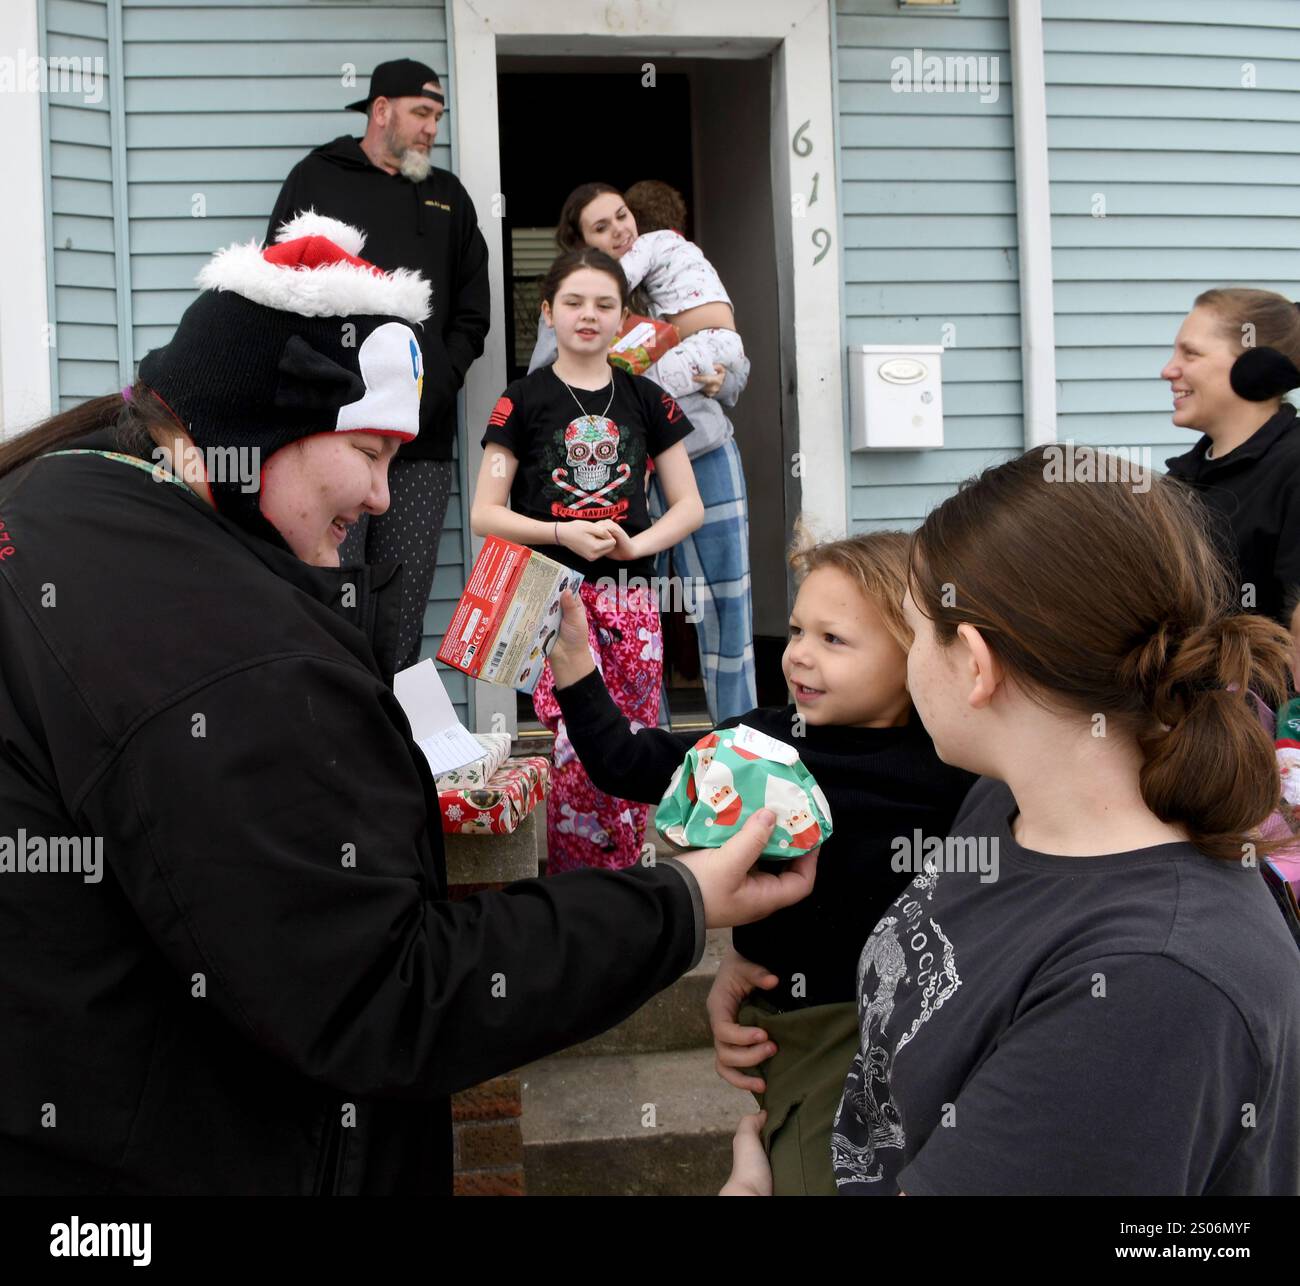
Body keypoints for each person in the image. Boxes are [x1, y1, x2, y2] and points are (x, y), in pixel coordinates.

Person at [0, 221, 814, 1195]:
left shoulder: (66, 499)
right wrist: (676, 905)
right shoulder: (216, 647)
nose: (387, 496)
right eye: (371, 450)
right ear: (267, 427)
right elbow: (377, 990)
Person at [719, 449, 1300, 1196]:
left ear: (975, 664)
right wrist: (757, 968)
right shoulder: (1008, 802)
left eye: (916, 630)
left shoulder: (1150, 984)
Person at [546, 530, 975, 1193]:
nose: (798, 655)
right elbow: (627, 760)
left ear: (914, 652)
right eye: (797, 630)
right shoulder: (761, 743)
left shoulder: (955, 763)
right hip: (803, 1029)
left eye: (833, 640)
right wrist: (575, 667)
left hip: (923, 1027)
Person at [471, 247, 704, 874]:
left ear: (624, 317)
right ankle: (578, 888)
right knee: (576, 743)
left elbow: (688, 507)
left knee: (629, 740)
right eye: (573, 302)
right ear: (549, 312)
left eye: (605, 304)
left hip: (631, 596)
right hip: (552, 594)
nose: (588, 315)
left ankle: (628, 882)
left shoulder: (648, 399)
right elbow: (485, 512)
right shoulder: (520, 401)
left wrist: (637, 544)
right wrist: (561, 532)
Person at [266, 58, 490, 671]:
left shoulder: (448, 198)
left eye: (437, 117)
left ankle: (389, 744)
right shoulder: (317, 177)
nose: (430, 129)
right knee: (329, 589)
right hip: (332, 432)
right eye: (421, 114)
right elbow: (281, 288)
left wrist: (435, 385)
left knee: (401, 599)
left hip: (418, 440)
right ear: (381, 110)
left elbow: (472, 316)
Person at [529, 183, 757, 724]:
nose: (619, 231)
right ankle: (645, 747)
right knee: (637, 611)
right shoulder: (580, 303)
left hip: (704, 453)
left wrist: (723, 377)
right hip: (622, 474)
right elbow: (543, 375)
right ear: (581, 243)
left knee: (728, 600)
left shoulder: (673, 270)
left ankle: (740, 740)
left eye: (622, 216)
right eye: (601, 227)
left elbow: (735, 370)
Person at [1162, 289, 1300, 652]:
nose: (1168, 370)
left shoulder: (1293, 469)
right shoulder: (1180, 481)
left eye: (1190, 353)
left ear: (1256, 366)